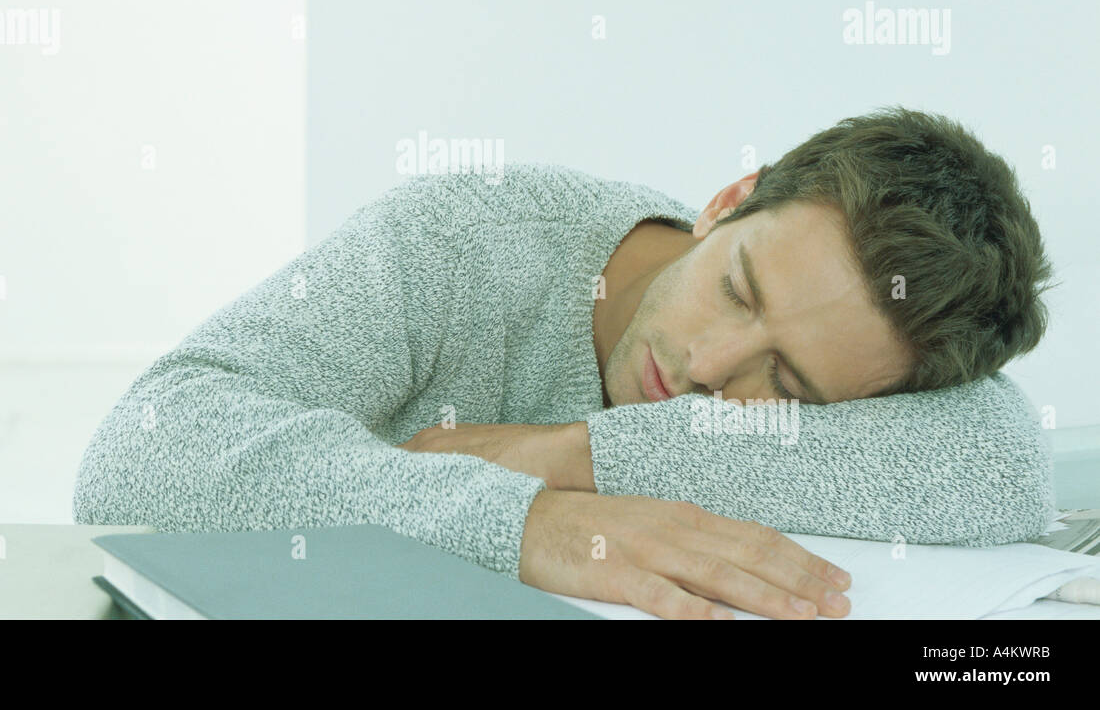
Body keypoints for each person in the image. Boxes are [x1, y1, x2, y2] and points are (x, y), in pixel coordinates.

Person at [73, 106, 1057, 619]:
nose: (712, 367)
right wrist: (529, 520)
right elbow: (136, 462)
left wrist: (582, 455)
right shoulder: (461, 242)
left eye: (788, 386)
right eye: (737, 288)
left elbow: (1002, 464)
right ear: (728, 199)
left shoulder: (864, 373)